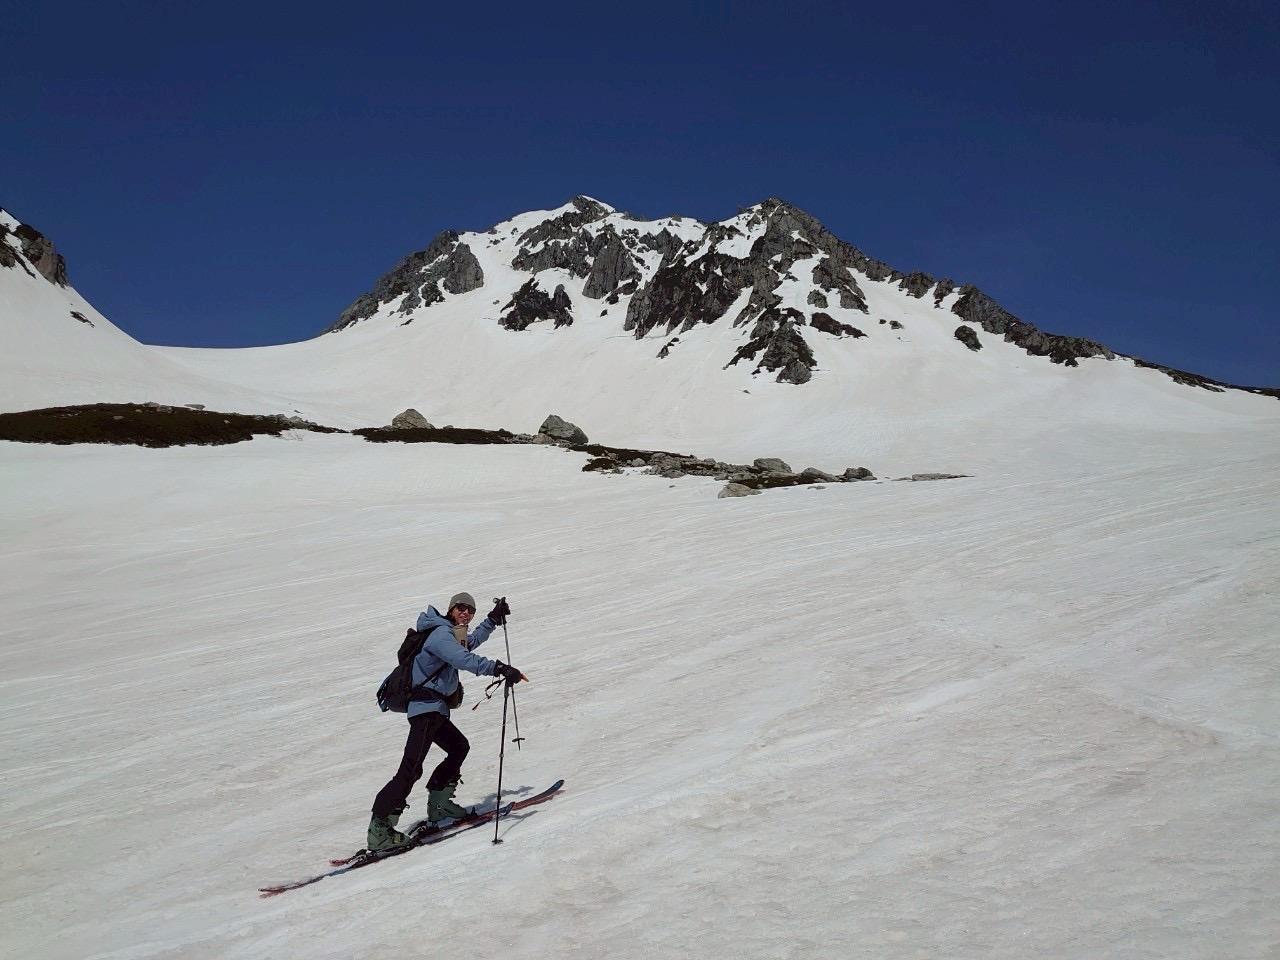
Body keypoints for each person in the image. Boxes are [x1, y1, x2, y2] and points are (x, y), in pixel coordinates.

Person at [367, 592, 524, 851]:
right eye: (461, 608)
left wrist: (492, 621)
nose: (465, 613)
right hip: (426, 710)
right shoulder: (441, 635)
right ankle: (380, 829)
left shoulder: (450, 634)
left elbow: (468, 644)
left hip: (434, 710)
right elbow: (463, 659)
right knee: (411, 768)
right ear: (451, 609)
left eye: (470, 610)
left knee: (459, 746)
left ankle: (439, 805)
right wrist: (499, 668)